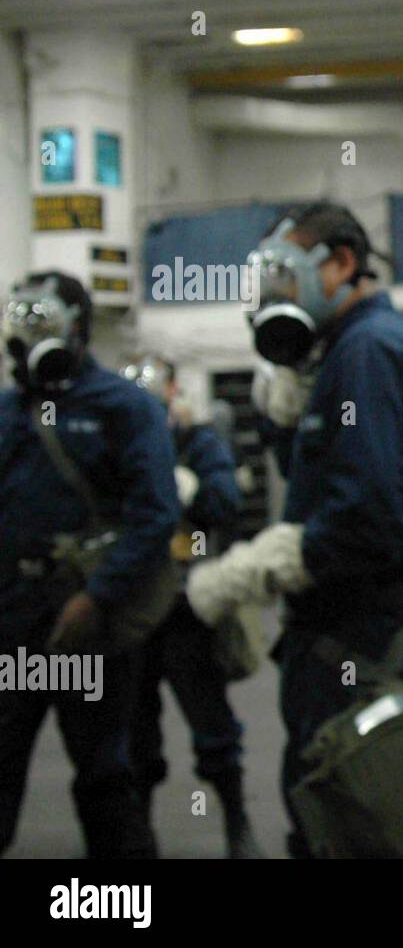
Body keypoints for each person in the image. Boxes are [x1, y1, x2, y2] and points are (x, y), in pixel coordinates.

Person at [186, 201, 403, 857]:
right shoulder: (347, 352)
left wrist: (251, 568)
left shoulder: (367, 351)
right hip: (348, 639)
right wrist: (290, 415)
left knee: (360, 826)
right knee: (358, 821)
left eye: (285, 278)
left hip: (362, 643)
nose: (272, 299)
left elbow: (367, 518)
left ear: (341, 264)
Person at [0, 272, 178, 857]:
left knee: (105, 780)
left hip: (88, 620)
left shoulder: (123, 408)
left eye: (39, 320)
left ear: (75, 324)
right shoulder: (9, 411)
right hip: (13, 621)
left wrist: (98, 596)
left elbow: (155, 515)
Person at [120, 354, 263, 858]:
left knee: (214, 730)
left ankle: (237, 824)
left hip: (185, 609)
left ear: (174, 393)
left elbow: (226, 502)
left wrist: (192, 489)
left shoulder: (196, 441)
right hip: (133, 608)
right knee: (134, 734)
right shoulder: (120, 444)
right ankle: (137, 839)